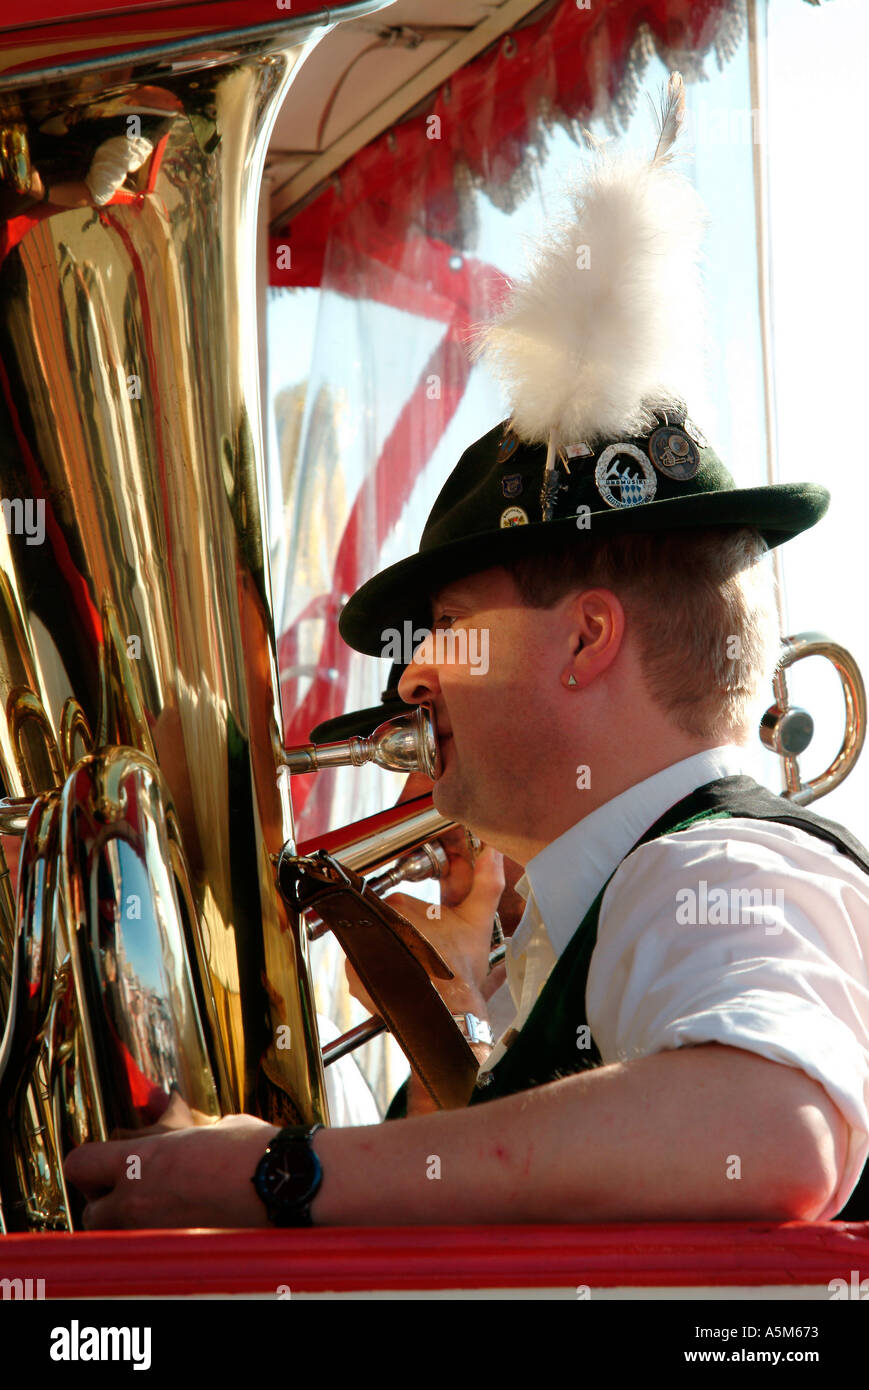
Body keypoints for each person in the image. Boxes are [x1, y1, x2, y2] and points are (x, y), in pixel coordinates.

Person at [63, 74, 869, 1229]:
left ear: (587, 637)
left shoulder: (707, 872)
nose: (411, 676)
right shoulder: (631, 893)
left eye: (446, 627)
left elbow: (768, 1135)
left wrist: (277, 1170)